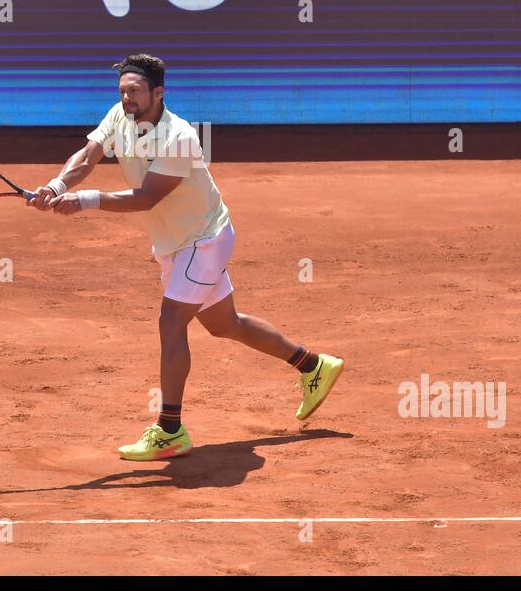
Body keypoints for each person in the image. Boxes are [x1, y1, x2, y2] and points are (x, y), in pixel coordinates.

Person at [28, 54, 345, 461]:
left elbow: (147, 197)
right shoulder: (118, 116)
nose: (127, 98)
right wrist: (55, 186)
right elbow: (88, 157)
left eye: (135, 91)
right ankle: (313, 366)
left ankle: (170, 429)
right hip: (174, 242)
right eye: (122, 90)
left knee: (171, 321)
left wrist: (84, 202)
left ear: (158, 93)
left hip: (204, 238)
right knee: (223, 324)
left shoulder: (179, 136)